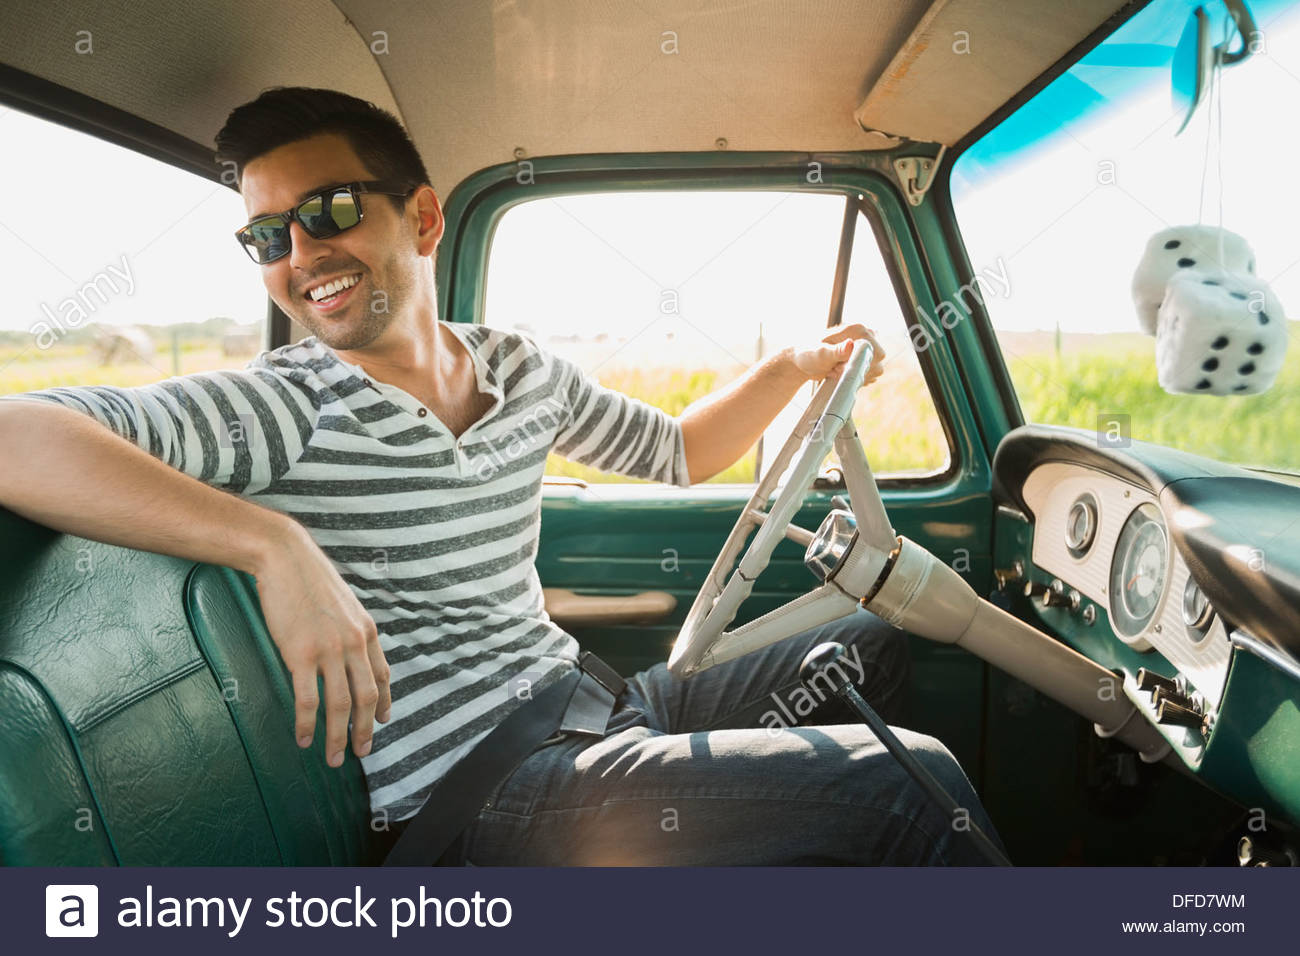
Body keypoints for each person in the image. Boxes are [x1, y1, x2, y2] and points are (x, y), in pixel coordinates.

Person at [0, 87, 1001, 865]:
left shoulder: (517, 368)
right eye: (267, 236)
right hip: (485, 799)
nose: (300, 254)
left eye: (330, 210)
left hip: (594, 705)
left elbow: (680, 450)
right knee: (908, 789)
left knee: (870, 642)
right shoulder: (283, 407)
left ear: (423, 218)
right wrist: (271, 543)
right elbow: (16, 435)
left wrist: (788, 368)